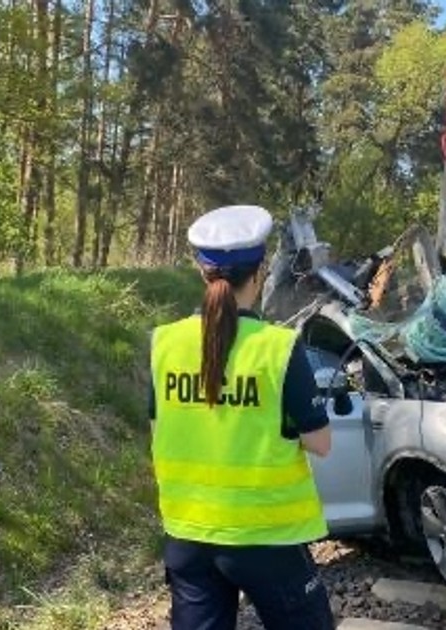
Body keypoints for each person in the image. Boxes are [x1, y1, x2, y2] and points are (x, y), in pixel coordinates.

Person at [148, 204, 335, 630]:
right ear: (261, 271)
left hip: (189, 533)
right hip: (267, 536)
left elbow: (158, 431)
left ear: (202, 272)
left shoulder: (163, 344)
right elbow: (320, 443)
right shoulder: (279, 348)